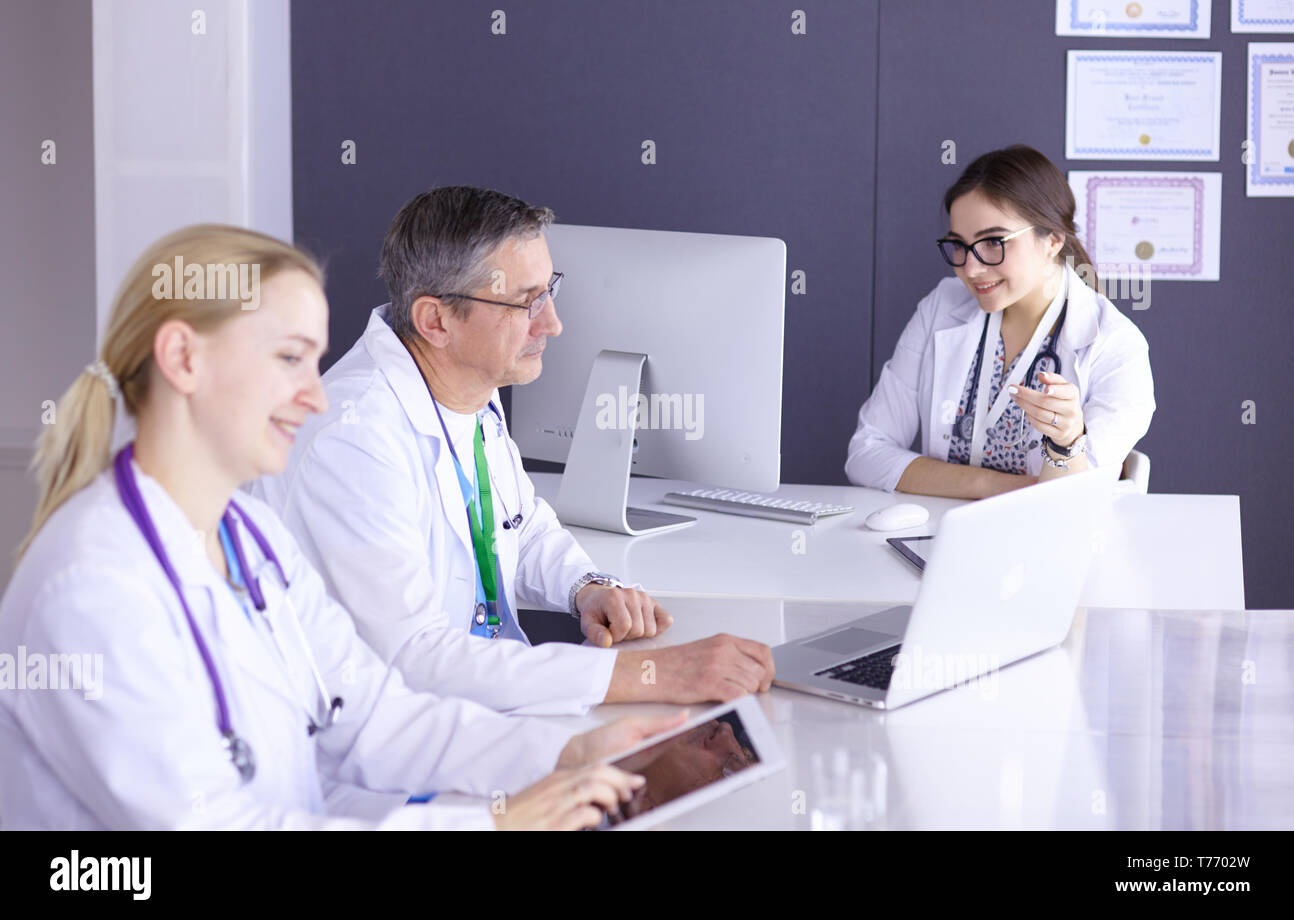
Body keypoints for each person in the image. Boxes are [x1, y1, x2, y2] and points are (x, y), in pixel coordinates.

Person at [0, 224, 687, 830]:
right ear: (184, 359)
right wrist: (492, 825)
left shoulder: (246, 533)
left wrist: (564, 754)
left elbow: (370, 714)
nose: (318, 393)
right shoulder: (92, 588)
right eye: (290, 358)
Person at [254, 186, 774, 718]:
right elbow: (413, 658)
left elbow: (518, 523)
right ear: (436, 321)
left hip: (481, 714)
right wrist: (651, 674)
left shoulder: (465, 387)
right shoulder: (353, 439)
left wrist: (585, 587)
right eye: (525, 302)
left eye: (548, 291)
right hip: (390, 758)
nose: (552, 323)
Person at [845, 145, 1155, 499]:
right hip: (945, 536)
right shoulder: (941, 307)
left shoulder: (1116, 346)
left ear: (1053, 239)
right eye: (959, 245)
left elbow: (1081, 499)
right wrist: (990, 486)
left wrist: (1067, 443)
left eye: (993, 242)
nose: (971, 269)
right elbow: (866, 452)